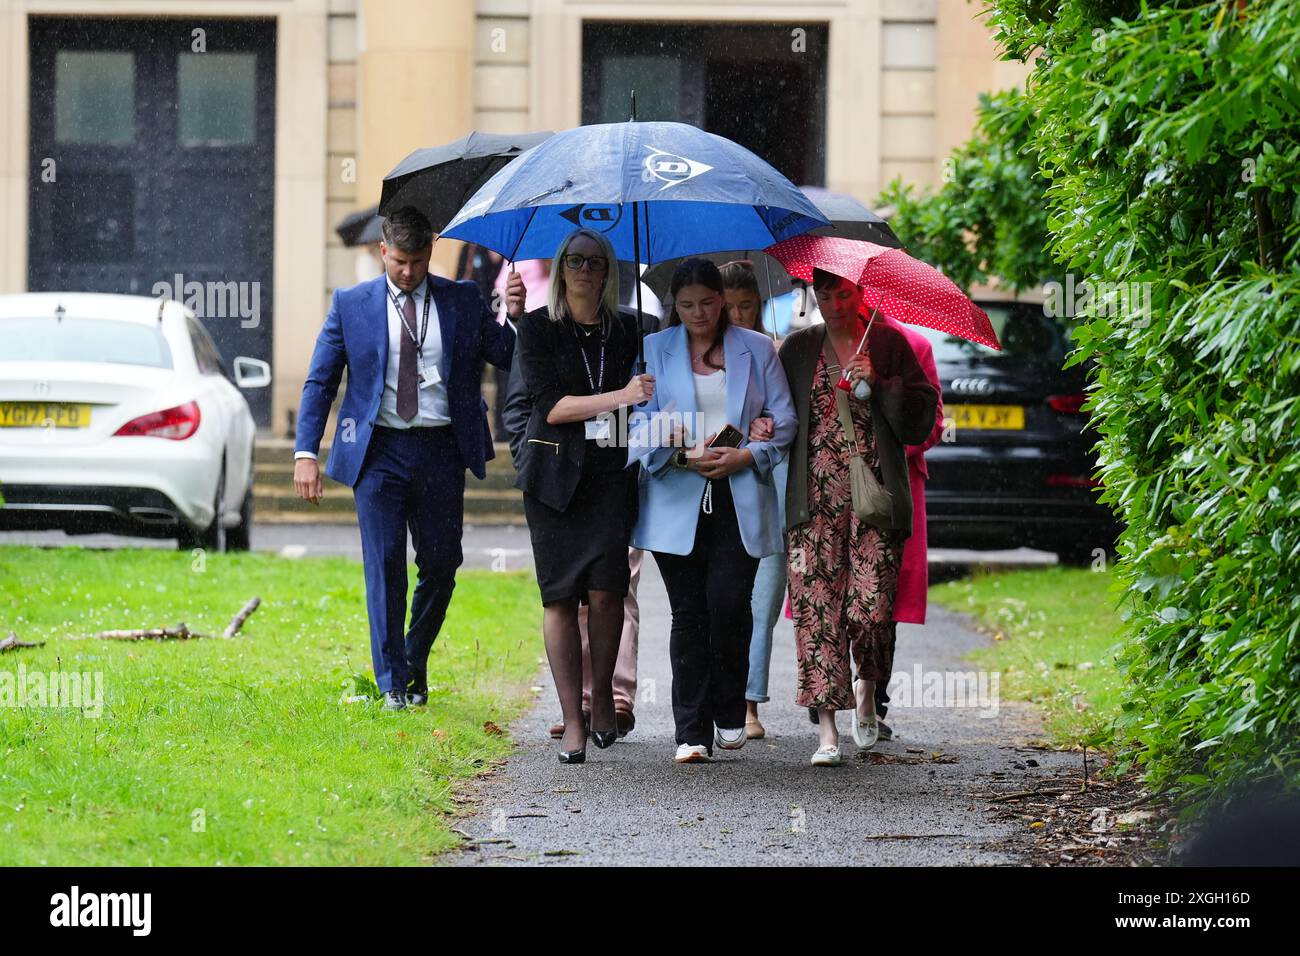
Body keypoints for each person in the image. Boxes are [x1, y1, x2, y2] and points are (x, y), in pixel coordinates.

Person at [293, 206, 525, 710]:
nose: (408, 272)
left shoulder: (461, 299)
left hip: (442, 448)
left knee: (442, 565)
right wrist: (305, 452)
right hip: (379, 450)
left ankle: (411, 660)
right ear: (382, 252)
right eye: (399, 261)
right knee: (385, 565)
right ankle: (391, 684)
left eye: (418, 261)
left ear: (431, 253)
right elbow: (320, 380)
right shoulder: (351, 304)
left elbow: (507, 355)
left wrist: (515, 313)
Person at [628, 258, 795, 764]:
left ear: (721, 300)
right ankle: (690, 731)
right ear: (673, 307)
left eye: (706, 302)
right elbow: (635, 430)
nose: (698, 313)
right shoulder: (654, 350)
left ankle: (729, 706)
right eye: (686, 305)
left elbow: (784, 420)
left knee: (728, 604)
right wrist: (677, 448)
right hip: (676, 500)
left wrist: (745, 454)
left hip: (739, 495)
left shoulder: (758, 349)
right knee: (688, 613)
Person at [778, 268, 938, 766]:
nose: (832, 303)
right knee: (816, 614)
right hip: (812, 505)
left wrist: (883, 384)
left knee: (869, 611)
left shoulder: (889, 344)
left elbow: (921, 421)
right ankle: (827, 731)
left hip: (875, 500)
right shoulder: (798, 349)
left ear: (860, 293)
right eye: (823, 294)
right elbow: (776, 413)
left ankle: (867, 690)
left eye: (842, 293)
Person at [513, 228, 653, 764]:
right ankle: (573, 718)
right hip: (552, 480)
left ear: (609, 271)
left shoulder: (630, 331)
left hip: (611, 477)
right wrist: (621, 395)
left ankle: (600, 702)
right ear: (560, 267)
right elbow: (550, 406)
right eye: (574, 260)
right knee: (559, 597)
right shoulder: (537, 330)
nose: (585, 270)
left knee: (606, 592)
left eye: (596, 262)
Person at [719, 261, 784, 741]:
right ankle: (718, 699)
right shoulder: (704, 355)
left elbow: (790, 417)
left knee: (764, 595)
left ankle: (749, 702)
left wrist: (771, 424)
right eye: (731, 306)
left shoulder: (774, 353)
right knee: (722, 598)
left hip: (770, 483)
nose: (739, 314)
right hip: (719, 484)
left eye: (748, 305)